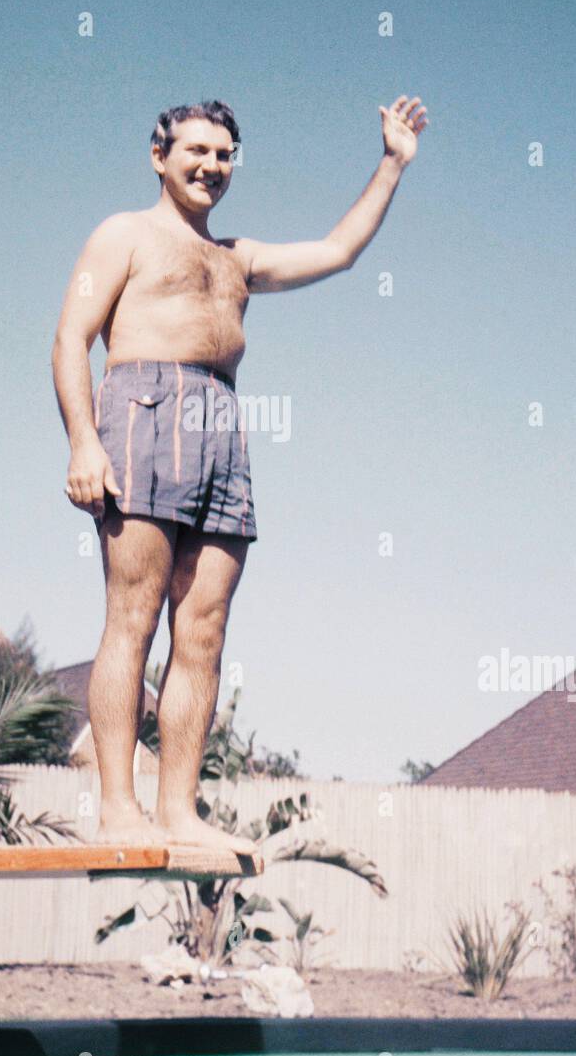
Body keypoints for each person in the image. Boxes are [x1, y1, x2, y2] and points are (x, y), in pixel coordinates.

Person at [52, 95, 429, 851]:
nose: (210, 166)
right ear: (159, 157)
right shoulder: (122, 234)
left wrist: (392, 164)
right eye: (195, 151)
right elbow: (70, 337)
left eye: (223, 155)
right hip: (142, 409)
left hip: (220, 424)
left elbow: (336, 252)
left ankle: (178, 812)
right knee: (134, 617)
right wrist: (83, 443)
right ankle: (116, 808)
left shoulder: (236, 258)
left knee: (204, 629)